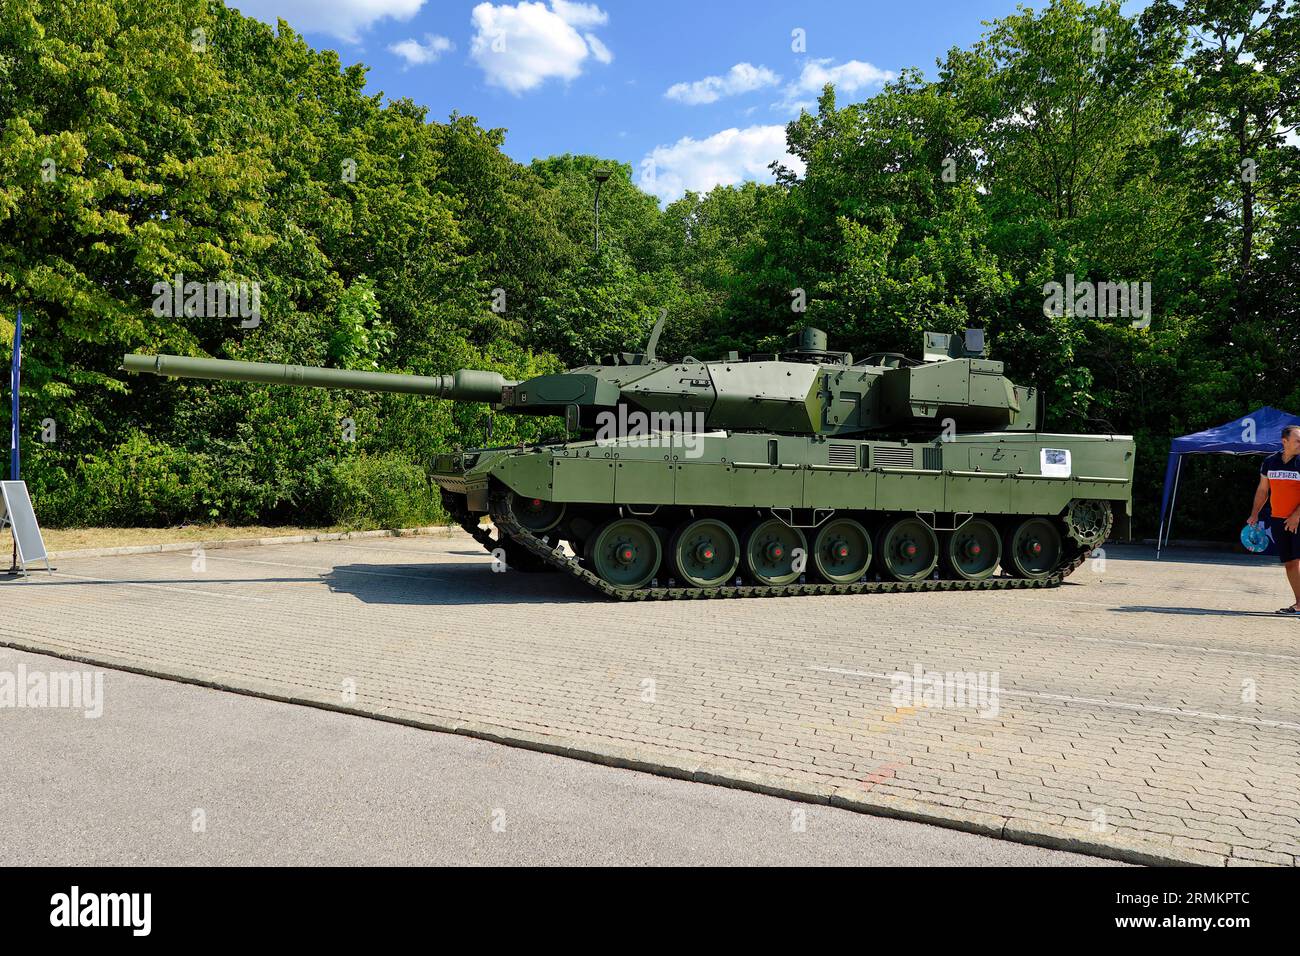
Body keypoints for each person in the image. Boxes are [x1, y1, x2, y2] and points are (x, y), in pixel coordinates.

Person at [1248, 424, 1300, 614]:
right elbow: (1263, 491)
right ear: (1284, 441)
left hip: (1298, 519)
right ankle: (1299, 604)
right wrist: (1254, 514)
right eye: (1297, 440)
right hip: (1278, 519)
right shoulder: (1270, 462)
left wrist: (1296, 515)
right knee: (1290, 562)